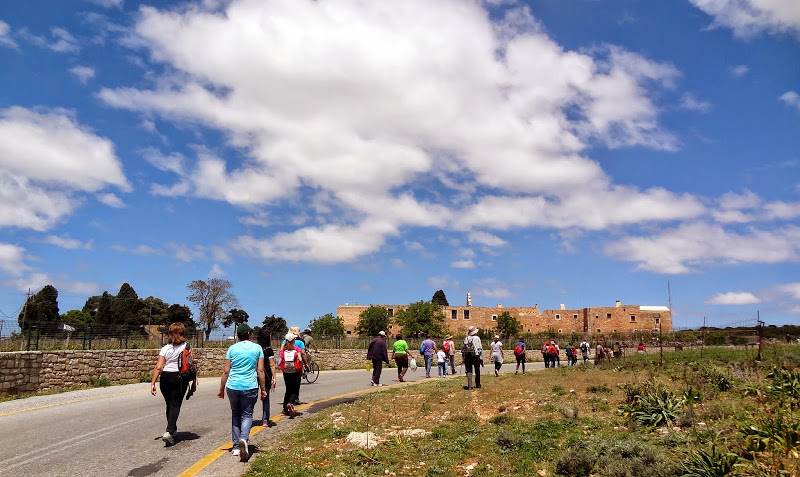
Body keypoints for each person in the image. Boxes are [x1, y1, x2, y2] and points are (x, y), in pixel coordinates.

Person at [217, 323, 267, 462]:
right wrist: (263, 389)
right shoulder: (257, 348)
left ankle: (236, 447)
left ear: (239, 335)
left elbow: (226, 371)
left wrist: (221, 389)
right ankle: (244, 438)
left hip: (233, 386)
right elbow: (260, 370)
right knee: (247, 414)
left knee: (235, 414)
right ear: (250, 333)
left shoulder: (232, 348)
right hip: (250, 386)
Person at [151, 322, 197, 446]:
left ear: (170, 333)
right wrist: (194, 383)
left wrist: (153, 382)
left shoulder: (165, 348)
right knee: (175, 405)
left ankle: (172, 428)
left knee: (169, 404)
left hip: (165, 377)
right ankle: (169, 431)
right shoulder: (187, 347)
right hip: (179, 377)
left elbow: (158, 367)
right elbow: (192, 365)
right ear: (182, 333)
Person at [277, 332, 303, 418]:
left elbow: (279, 362)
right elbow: (300, 359)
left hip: (286, 372)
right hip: (295, 371)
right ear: (293, 341)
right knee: (295, 389)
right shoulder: (297, 349)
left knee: (288, 389)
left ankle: (285, 409)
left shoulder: (283, 351)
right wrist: (301, 369)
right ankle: (290, 403)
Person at [256, 327, 277, 427]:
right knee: (266, 397)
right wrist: (274, 377)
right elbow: (272, 364)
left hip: (254, 374)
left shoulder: (256, 348)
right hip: (266, 374)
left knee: (252, 398)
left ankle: (246, 419)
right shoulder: (269, 350)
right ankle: (265, 420)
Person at [462, 326, 484, 390]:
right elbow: (480, 348)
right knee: (477, 370)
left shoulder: (466, 338)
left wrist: (464, 356)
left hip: (468, 355)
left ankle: (470, 385)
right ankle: (477, 384)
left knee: (469, 370)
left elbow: (464, 348)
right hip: (475, 355)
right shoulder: (477, 338)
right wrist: (481, 358)